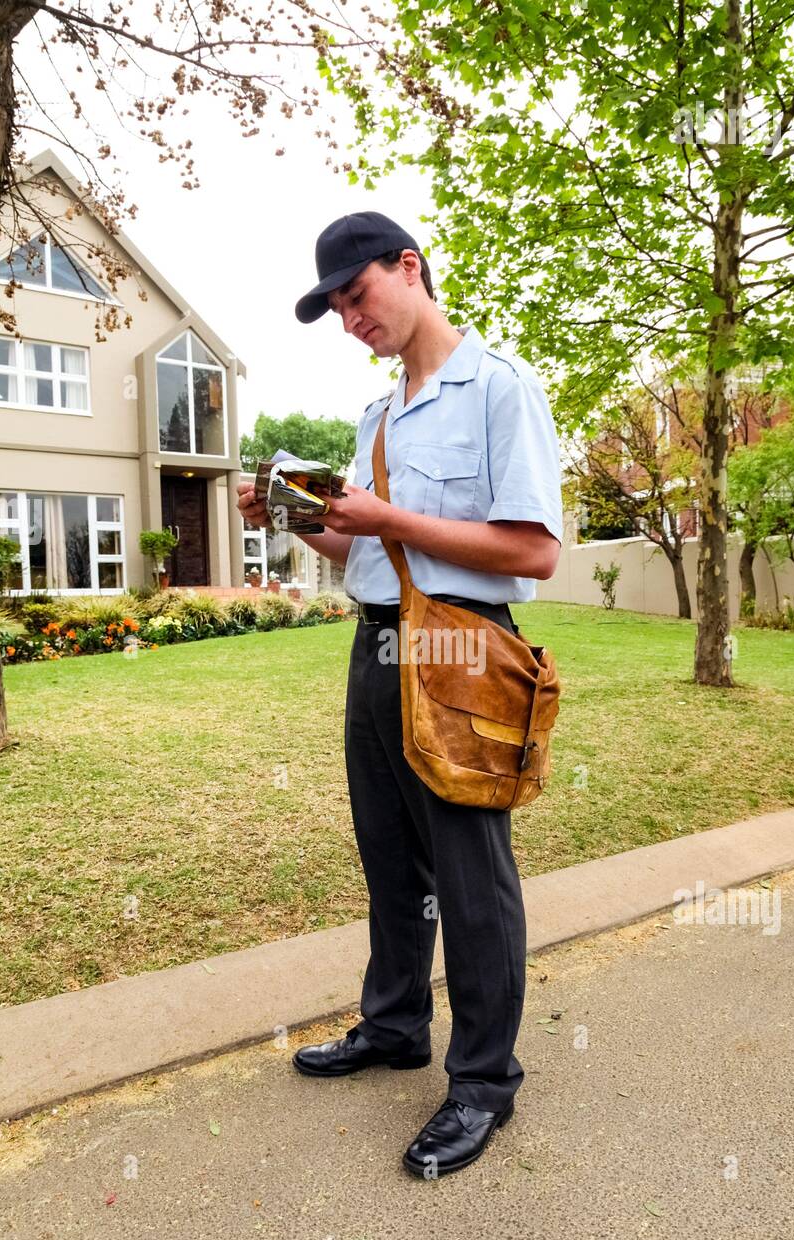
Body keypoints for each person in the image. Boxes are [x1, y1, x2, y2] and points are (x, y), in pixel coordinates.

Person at [236, 211, 563, 1178]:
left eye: (357, 295)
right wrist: (299, 523)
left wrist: (392, 518)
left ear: (409, 270)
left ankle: (482, 1082)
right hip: (378, 648)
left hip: (462, 646)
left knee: (470, 868)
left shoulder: (499, 387)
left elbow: (535, 552)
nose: (349, 320)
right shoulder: (376, 417)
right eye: (335, 308)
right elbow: (364, 549)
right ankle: (394, 1026)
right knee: (390, 860)